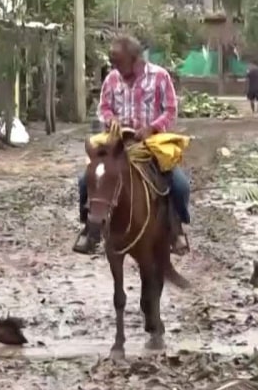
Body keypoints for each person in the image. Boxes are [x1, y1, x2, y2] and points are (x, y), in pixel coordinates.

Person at [74, 35, 191, 255]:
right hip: (118, 144)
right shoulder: (112, 79)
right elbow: (104, 108)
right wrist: (112, 120)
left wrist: (152, 127)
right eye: (113, 61)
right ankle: (90, 230)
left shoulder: (160, 77)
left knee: (179, 185)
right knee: (85, 181)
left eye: (119, 61)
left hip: (150, 144)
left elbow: (170, 110)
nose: (115, 66)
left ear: (135, 59)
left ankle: (176, 230)